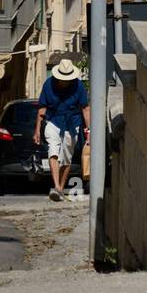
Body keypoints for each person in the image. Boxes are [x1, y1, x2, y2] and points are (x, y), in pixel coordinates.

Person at [33, 59, 90, 201]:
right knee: (53, 151)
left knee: (66, 158)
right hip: (53, 121)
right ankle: (57, 186)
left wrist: (89, 130)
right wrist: (37, 130)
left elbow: (85, 109)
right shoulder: (48, 85)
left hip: (72, 124)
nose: (64, 82)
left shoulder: (78, 86)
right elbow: (42, 109)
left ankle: (59, 189)